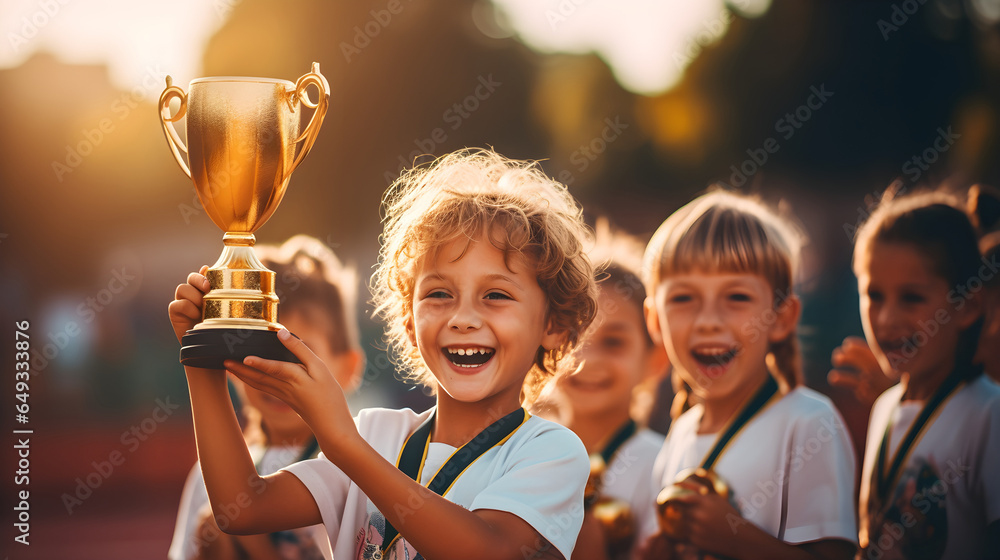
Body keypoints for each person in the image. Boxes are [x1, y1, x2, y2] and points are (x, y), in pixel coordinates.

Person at [167, 148, 599, 560]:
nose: (463, 317)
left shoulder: (551, 450)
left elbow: (487, 552)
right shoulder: (375, 434)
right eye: (439, 293)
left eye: (497, 295)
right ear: (410, 323)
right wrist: (202, 358)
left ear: (552, 325)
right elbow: (242, 508)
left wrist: (343, 443)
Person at [640, 190, 858, 560]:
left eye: (737, 297)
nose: (708, 320)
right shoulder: (678, 433)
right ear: (655, 321)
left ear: (782, 318)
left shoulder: (809, 424)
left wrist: (736, 538)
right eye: (683, 298)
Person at [168, 235, 366, 560]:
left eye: (299, 350)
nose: (276, 371)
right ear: (228, 365)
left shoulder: (361, 462)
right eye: (256, 351)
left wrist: (250, 543)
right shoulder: (209, 475)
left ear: (349, 367)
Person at [852, 191, 1000, 559]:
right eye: (874, 295)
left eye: (912, 298)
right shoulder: (883, 408)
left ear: (968, 307)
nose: (886, 319)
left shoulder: (989, 416)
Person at [543, 220, 668, 560]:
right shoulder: (523, 455)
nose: (587, 360)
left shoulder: (664, 467)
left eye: (613, 342)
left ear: (656, 359)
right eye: (575, 338)